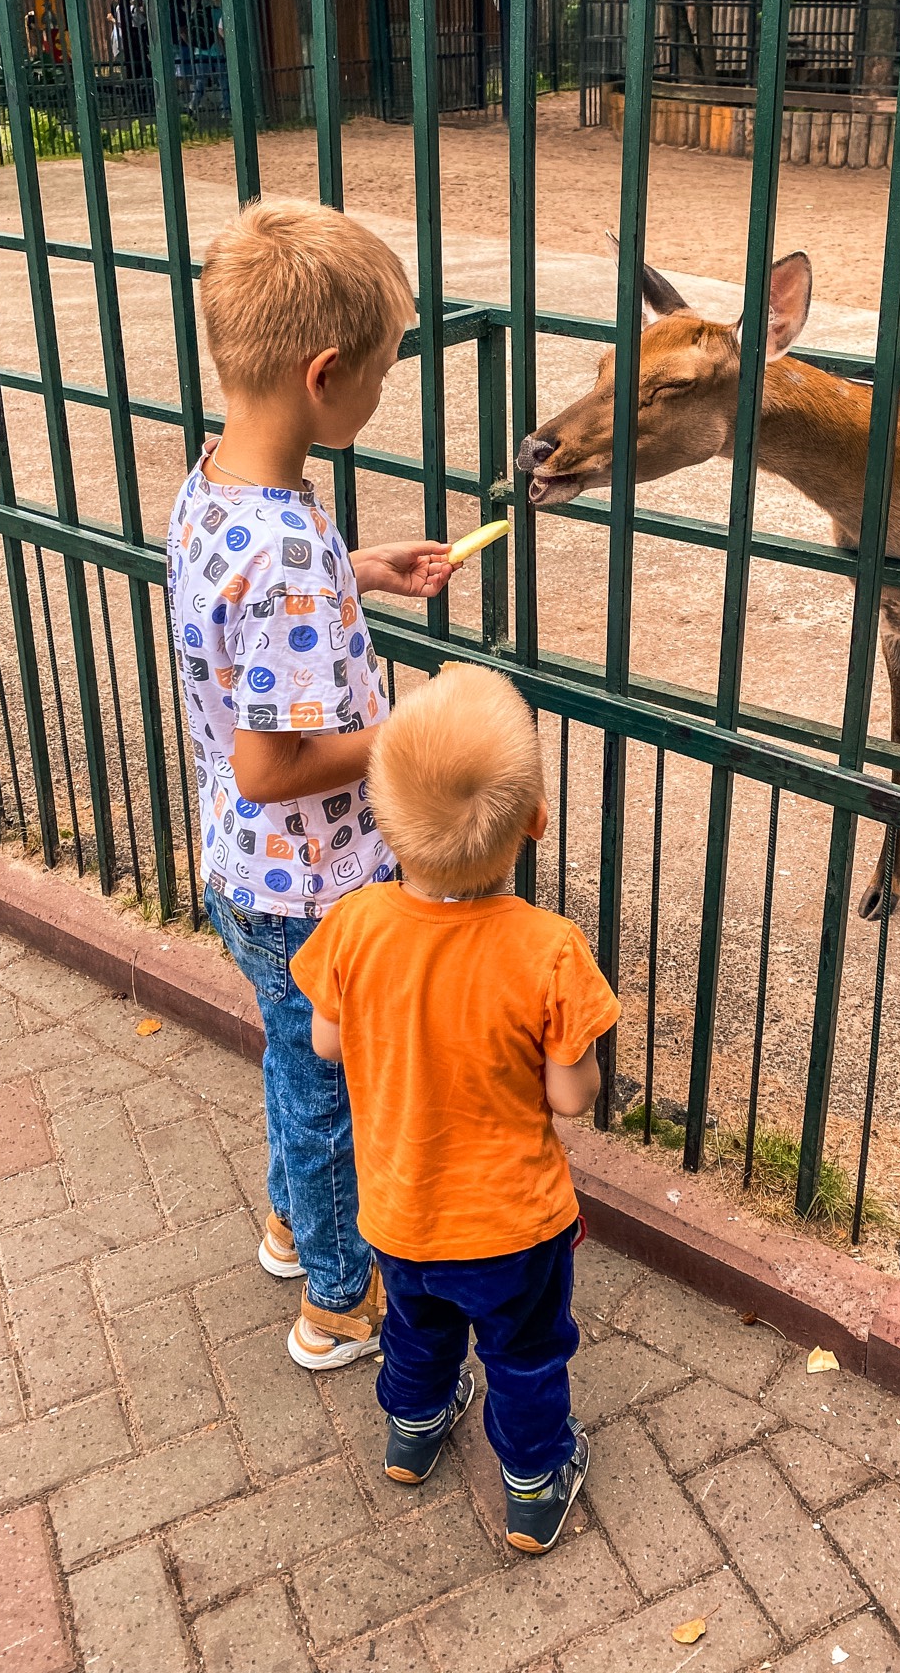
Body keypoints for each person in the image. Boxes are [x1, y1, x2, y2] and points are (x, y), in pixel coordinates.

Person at [166, 198, 455, 1372]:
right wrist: (405, 733)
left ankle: (292, 1226)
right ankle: (338, 1298)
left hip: (244, 866)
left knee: (295, 1056)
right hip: (306, 885)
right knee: (328, 1084)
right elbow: (272, 760)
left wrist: (359, 569)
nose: (383, 391)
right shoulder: (283, 548)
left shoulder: (224, 482)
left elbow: (257, 632)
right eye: (382, 373)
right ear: (325, 372)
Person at [296, 665, 620, 1554]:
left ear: (384, 821)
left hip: (400, 1211)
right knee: (524, 1354)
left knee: (416, 1326)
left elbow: (325, 1045)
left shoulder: (355, 928)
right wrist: (581, 1078)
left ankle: (413, 1429)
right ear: (534, 825)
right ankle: (532, 1479)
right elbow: (569, 1101)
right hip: (515, 1225)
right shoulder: (549, 952)